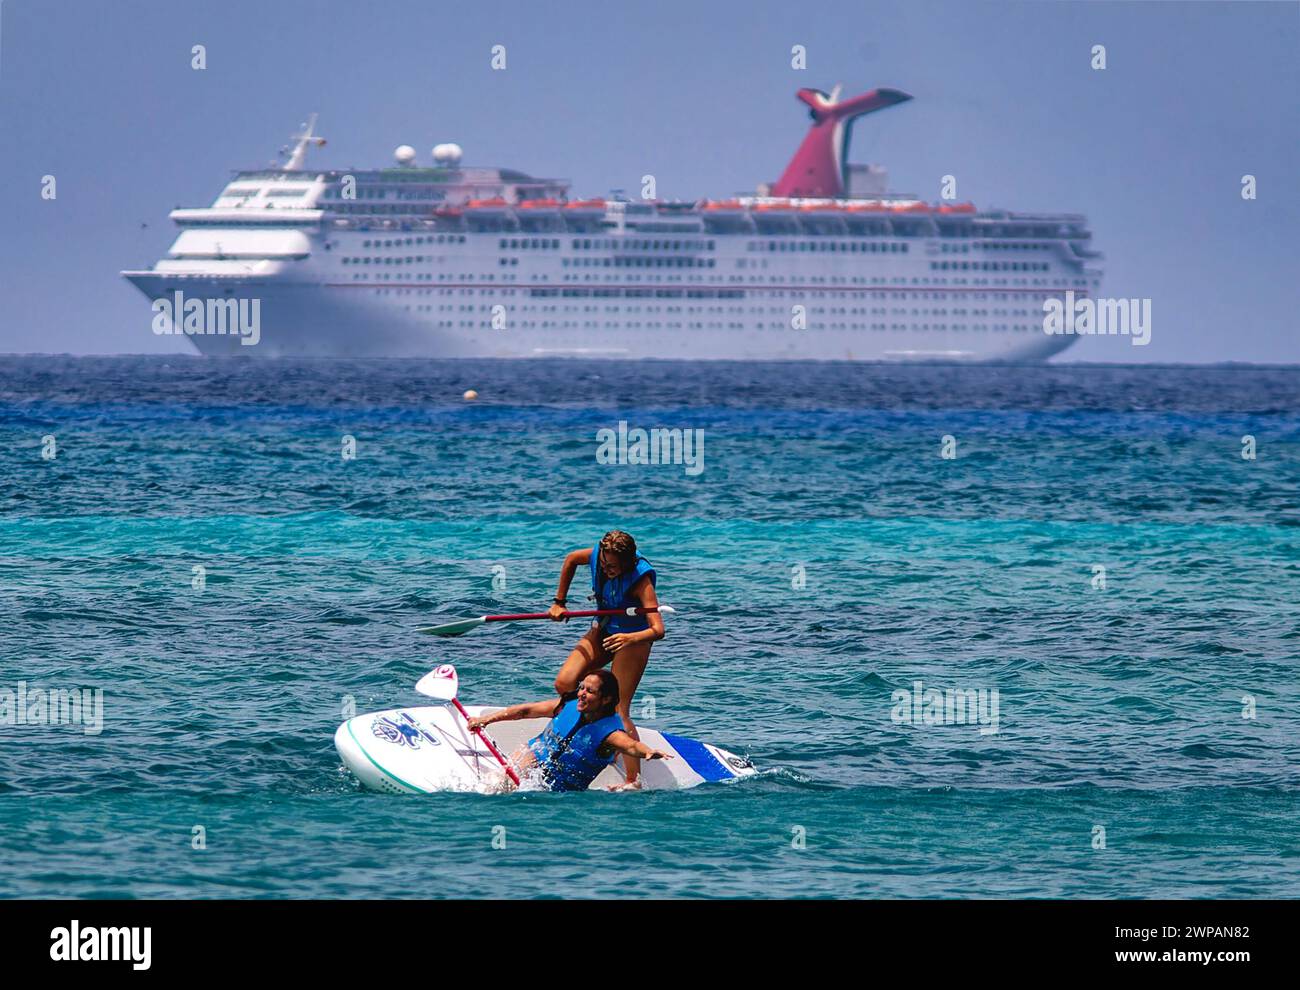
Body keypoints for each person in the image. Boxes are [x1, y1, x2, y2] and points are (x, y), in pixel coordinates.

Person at [547, 530, 663, 788]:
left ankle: (634, 780)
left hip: (634, 639)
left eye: (612, 566)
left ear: (628, 562)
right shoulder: (598, 554)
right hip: (604, 629)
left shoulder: (641, 579)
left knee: (619, 710)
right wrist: (559, 602)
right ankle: (585, 733)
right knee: (565, 684)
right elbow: (570, 560)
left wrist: (628, 639)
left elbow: (658, 629)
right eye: (604, 564)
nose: (606, 568)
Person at [467, 670, 672, 792]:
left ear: (606, 699)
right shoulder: (568, 706)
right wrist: (485, 720)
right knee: (499, 783)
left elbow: (631, 745)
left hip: (562, 790)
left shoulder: (609, 733)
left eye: (590, 692)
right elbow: (525, 711)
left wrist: (647, 752)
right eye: (582, 688)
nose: (582, 694)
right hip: (534, 756)